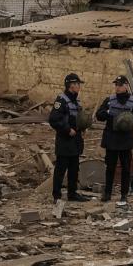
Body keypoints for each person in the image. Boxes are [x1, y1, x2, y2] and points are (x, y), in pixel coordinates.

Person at [46, 72, 90, 206]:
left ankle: (72, 193)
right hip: (64, 140)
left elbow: (77, 119)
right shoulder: (61, 100)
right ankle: (57, 195)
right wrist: (67, 129)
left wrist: (83, 127)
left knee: (74, 168)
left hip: (75, 140)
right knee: (61, 169)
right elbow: (53, 119)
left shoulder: (76, 101)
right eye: (77, 84)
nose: (79, 87)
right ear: (70, 85)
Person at [95, 75, 133, 203]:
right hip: (111, 139)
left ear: (126, 86)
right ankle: (107, 193)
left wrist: (130, 116)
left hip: (125, 139)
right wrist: (108, 113)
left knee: (126, 168)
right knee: (110, 167)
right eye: (116, 85)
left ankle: (124, 194)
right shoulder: (109, 100)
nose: (117, 87)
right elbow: (99, 115)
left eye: (120, 85)